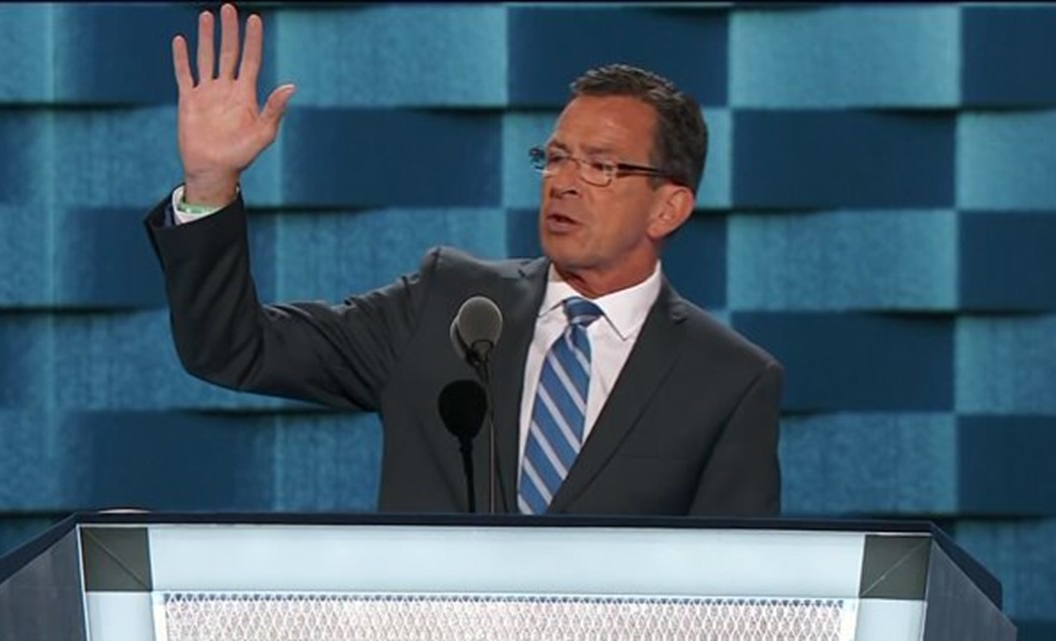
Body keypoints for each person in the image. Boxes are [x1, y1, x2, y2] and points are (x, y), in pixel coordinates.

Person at [145, 3, 783, 517]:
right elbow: (233, 348)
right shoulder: (448, 302)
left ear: (667, 208)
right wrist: (209, 186)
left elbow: (736, 591)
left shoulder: (728, 381)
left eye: (601, 166)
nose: (563, 181)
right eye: (555, 157)